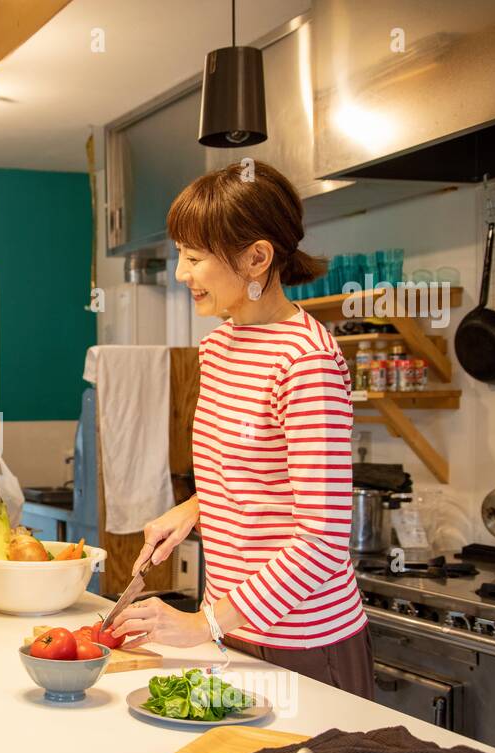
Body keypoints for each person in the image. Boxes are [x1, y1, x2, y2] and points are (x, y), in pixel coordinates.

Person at [110, 161, 374, 699]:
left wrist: (201, 624)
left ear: (257, 257)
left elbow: (322, 541)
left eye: (195, 257)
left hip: (303, 644)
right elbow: (251, 475)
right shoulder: (220, 348)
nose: (182, 273)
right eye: (180, 254)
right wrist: (192, 509)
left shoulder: (305, 361)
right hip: (233, 631)